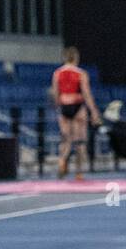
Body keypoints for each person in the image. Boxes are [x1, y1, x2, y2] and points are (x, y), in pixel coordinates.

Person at [50, 46, 101, 179]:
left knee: (66, 139)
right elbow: (86, 93)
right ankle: (79, 172)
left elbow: (55, 93)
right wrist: (94, 111)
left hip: (64, 105)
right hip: (77, 105)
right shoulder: (81, 73)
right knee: (80, 141)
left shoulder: (57, 73)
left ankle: (62, 160)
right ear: (76, 58)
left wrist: (57, 106)